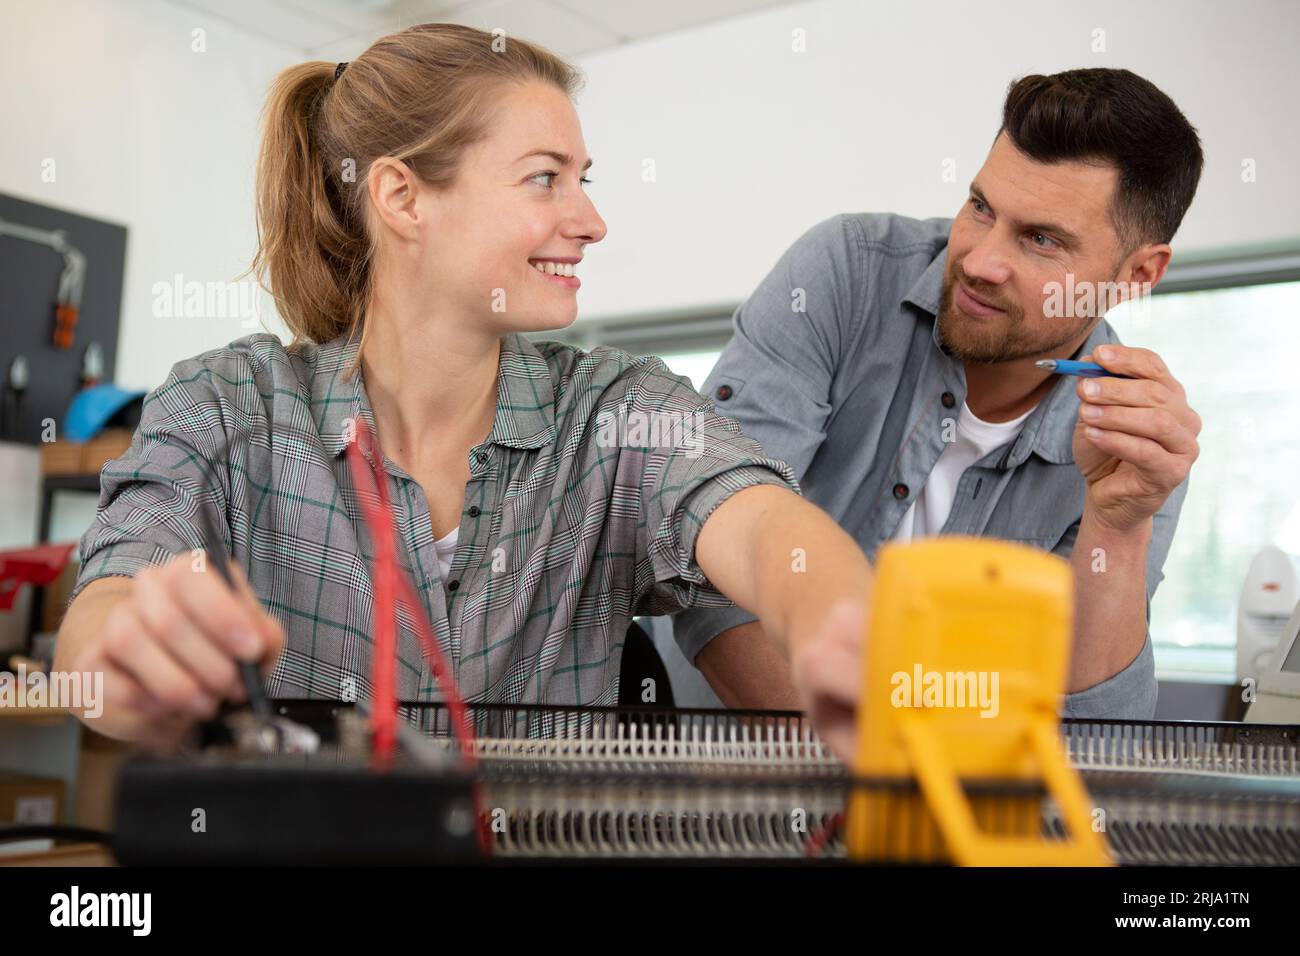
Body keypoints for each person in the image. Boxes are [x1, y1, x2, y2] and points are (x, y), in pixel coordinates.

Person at [53, 23, 871, 757]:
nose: (591, 220)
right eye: (546, 178)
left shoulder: (617, 411)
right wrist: (137, 658)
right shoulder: (225, 406)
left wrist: (842, 621)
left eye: (585, 178)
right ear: (403, 197)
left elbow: (764, 526)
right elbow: (99, 631)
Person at [676, 68, 1204, 719]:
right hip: (734, 783)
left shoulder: (1137, 451)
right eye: (981, 207)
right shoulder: (842, 274)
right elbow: (709, 558)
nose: (980, 261)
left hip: (953, 810)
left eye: (1041, 239)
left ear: (1139, 273)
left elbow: (1091, 731)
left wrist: (1118, 529)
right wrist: (873, 781)